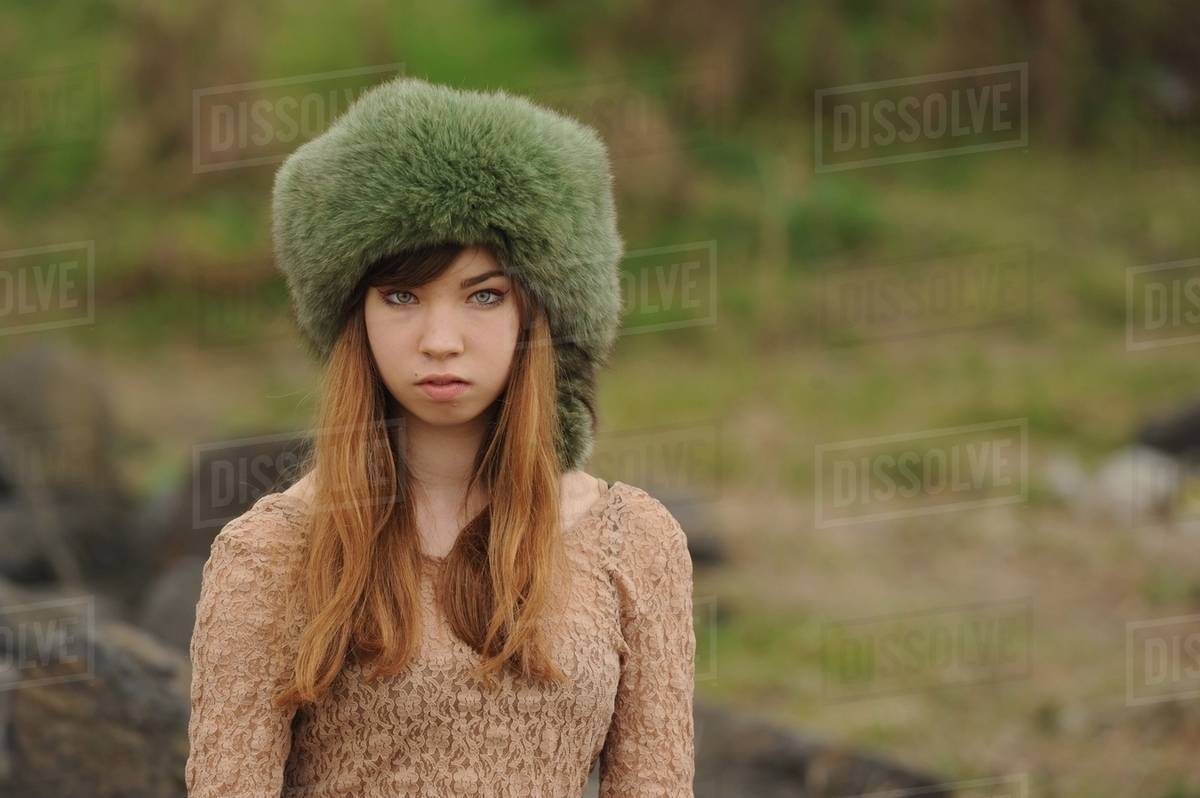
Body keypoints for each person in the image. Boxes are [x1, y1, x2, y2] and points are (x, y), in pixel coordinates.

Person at [184, 76, 696, 797]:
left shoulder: (634, 541)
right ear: (353, 316)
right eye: (402, 296)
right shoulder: (268, 553)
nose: (441, 340)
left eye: (484, 295)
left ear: (537, 316)